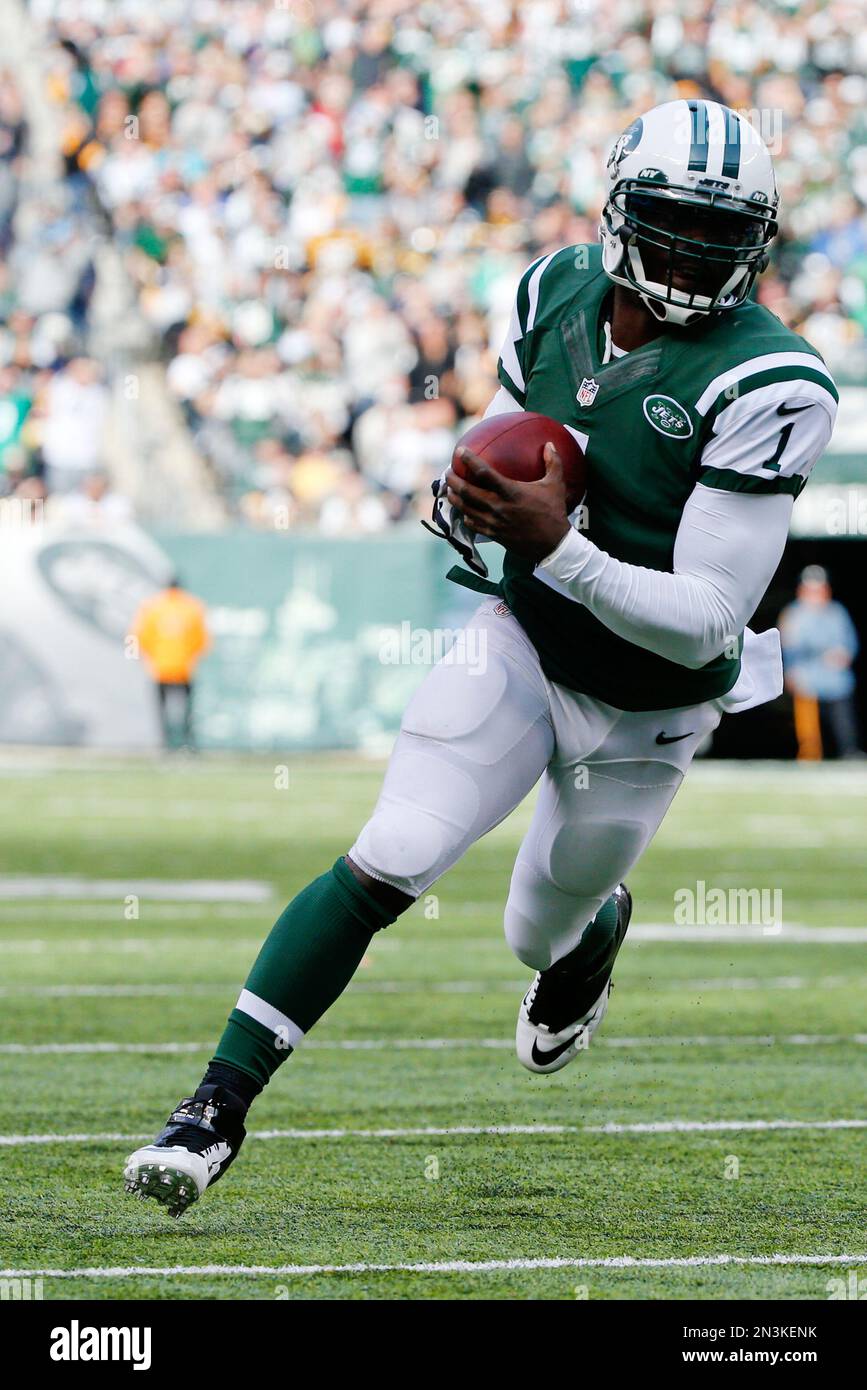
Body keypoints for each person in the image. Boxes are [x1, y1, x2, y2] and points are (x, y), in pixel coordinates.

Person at [123, 101, 837, 1217]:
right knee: (392, 851)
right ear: (616, 209)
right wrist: (475, 497)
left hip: (650, 707)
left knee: (533, 929)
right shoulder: (547, 293)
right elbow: (501, 438)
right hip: (524, 641)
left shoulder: (772, 380)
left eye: (718, 230)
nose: (695, 250)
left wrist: (555, 543)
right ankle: (212, 1109)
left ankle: (593, 930)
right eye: (671, 222)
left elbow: (705, 619)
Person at [780, 566, 860, 759]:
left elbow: (850, 642)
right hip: (807, 674)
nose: (815, 594)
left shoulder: (837, 612)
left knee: (843, 712)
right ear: (802, 591)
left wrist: (843, 654)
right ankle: (809, 754)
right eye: (810, 589)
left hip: (835, 677)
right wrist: (790, 671)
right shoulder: (793, 614)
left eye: (819, 589)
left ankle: (849, 751)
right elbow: (788, 647)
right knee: (805, 705)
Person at [131, 577, 210, 750]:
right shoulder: (192, 607)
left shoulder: (152, 608)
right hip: (185, 669)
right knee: (187, 712)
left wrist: (146, 659)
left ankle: (166, 744)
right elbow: (202, 640)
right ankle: (188, 744)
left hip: (160, 669)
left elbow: (139, 637)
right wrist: (191, 658)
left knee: (162, 710)